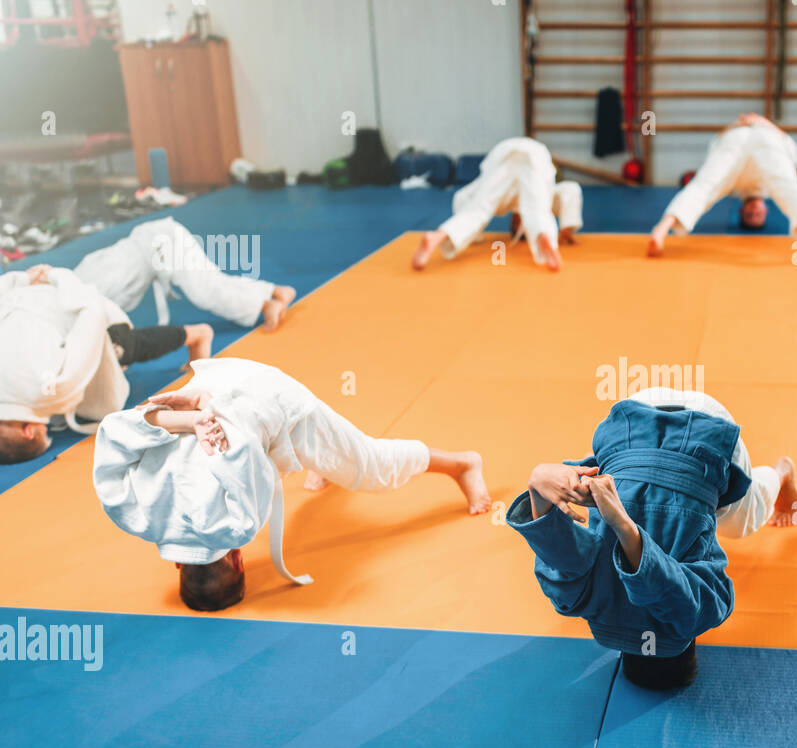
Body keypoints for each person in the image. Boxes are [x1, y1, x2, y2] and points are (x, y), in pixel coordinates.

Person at [92, 357, 492, 611]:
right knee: (308, 457)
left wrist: (203, 412)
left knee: (372, 467)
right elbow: (115, 428)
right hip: (220, 380)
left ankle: (461, 464)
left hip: (267, 395)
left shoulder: (238, 526)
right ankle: (323, 458)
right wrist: (189, 414)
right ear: (178, 561)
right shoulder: (136, 513)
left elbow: (246, 450)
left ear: (237, 559)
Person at [507, 389, 797, 691]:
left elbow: (677, 601)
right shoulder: (585, 600)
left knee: (742, 520)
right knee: (734, 518)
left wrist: (539, 484)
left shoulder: (693, 616)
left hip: (647, 431)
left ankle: (782, 473)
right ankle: (783, 471)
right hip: (654, 425)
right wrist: (545, 492)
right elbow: (560, 555)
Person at [0, 264, 211, 465]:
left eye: (43, 432)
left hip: (60, 302)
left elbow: (92, 315)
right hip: (26, 293)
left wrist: (57, 276)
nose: (47, 429)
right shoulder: (47, 388)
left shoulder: (50, 388)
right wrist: (24, 278)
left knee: (123, 346)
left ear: (28, 431)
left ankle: (198, 334)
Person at [647, 113, 797, 262]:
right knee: (790, 186)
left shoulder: (732, 186)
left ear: (741, 210)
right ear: (766, 210)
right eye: (758, 215)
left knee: (704, 185)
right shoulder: (770, 189)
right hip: (766, 137)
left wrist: (737, 125)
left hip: (735, 137)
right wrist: (764, 123)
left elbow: (718, 140)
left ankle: (660, 230)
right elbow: (784, 138)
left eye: (749, 215)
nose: (754, 211)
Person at [73, 216, 296, 330]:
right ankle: (273, 291)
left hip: (159, 243)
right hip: (154, 240)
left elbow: (109, 322)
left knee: (204, 291)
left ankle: (265, 306)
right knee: (211, 280)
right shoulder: (78, 285)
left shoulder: (85, 289)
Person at [411, 137, 582, 273]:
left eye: (516, 227)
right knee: (538, 212)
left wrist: (473, 236)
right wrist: (566, 230)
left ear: (513, 225)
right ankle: (544, 239)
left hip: (505, 154)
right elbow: (571, 192)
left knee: (477, 210)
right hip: (534, 156)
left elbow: (463, 197)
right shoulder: (534, 199)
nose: (519, 223)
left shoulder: (503, 203)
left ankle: (436, 237)